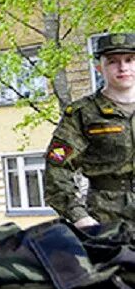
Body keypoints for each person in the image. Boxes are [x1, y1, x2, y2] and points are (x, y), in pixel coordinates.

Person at [45, 32, 135, 226]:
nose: (123, 67)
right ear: (99, 68)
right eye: (113, 61)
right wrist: (79, 217)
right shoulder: (83, 113)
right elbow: (57, 169)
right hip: (106, 218)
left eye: (130, 59)